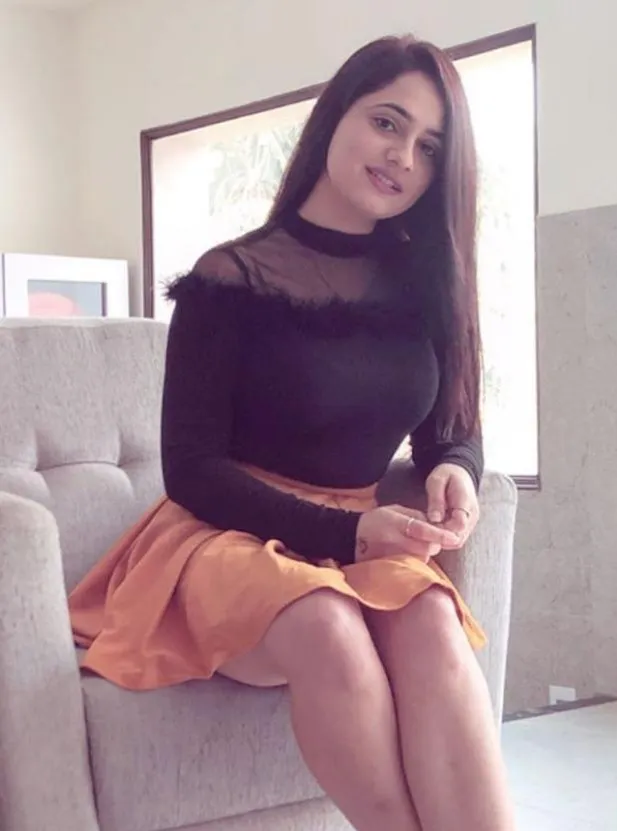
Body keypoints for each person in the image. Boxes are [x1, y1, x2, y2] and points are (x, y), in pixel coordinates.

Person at [69, 34, 516, 831]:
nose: (402, 156)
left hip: (359, 533)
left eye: (428, 147)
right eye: (387, 122)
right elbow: (191, 468)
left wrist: (457, 466)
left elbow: (451, 426)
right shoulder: (229, 278)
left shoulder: (426, 284)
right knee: (324, 623)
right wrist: (349, 533)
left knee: (431, 617)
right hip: (224, 534)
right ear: (336, 113)